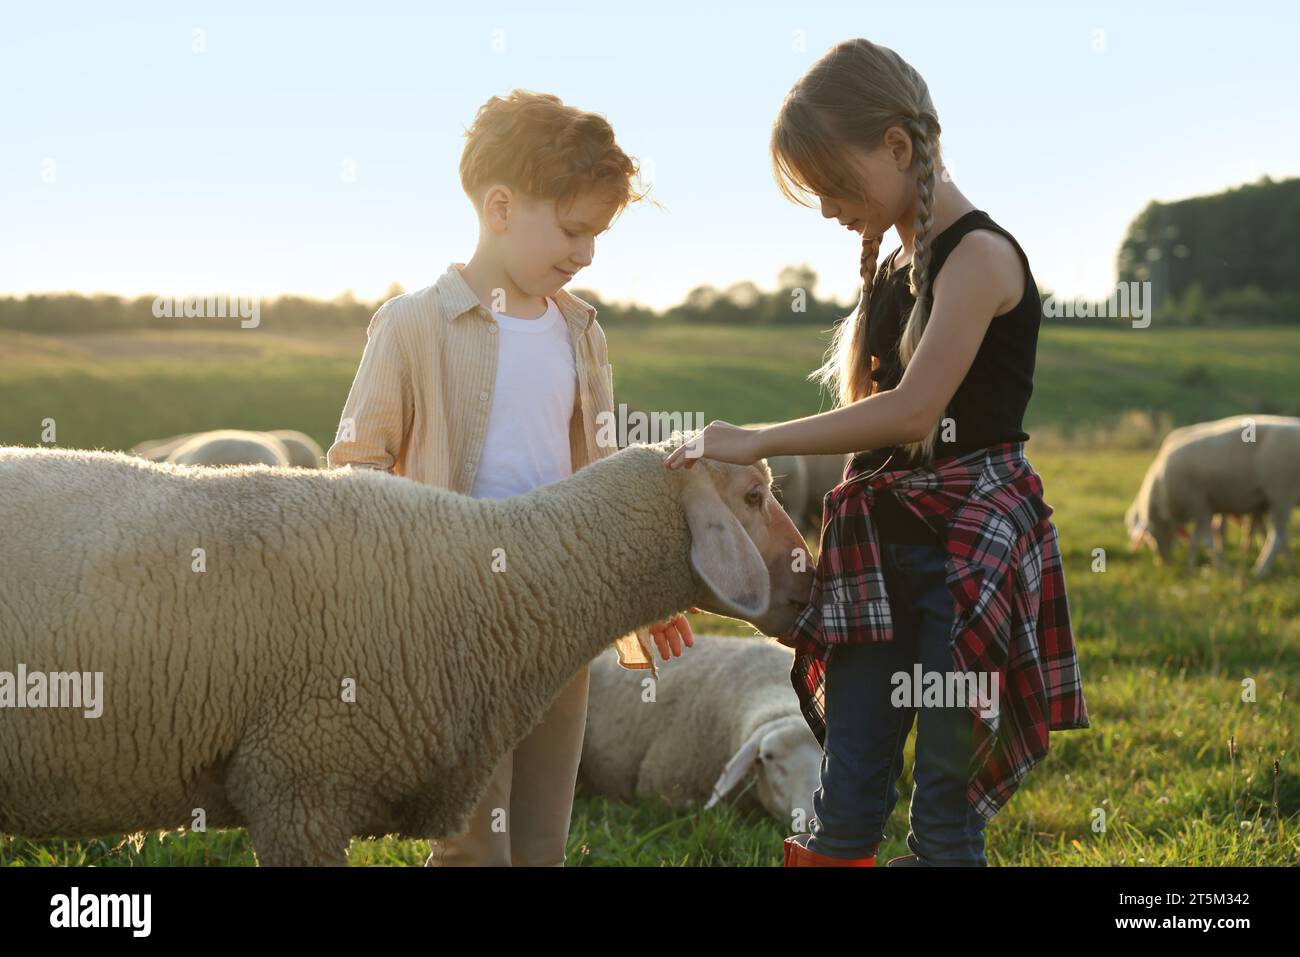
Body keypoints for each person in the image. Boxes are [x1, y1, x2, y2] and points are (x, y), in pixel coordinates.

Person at [666, 39, 1089, 867]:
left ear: (897, 147)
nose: (827, 207)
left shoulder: (983, 257)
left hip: (967, 556)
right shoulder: (897, 266)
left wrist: (755, 440)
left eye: (835, 184)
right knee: (847, 782)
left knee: (943, 798)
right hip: (879, 553)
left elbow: (910, 414)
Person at [328, 90, 695, 867]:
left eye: (595, 233)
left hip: (562, 610)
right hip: (457, 617)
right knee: (473, 844)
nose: (587, 252)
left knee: (538, 845)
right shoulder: (412, 324)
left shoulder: (580, 331)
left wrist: (643, 588)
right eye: (572, 229)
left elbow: (602, 478)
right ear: (499, 207)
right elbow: (355, 471)